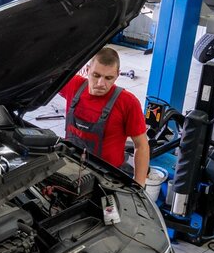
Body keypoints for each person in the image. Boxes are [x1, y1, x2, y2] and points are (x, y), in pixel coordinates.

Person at [57, 47, 149, 186]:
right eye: (96, 75)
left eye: (108, 78)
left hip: (107, 179)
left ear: (117, 75)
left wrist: (139, 185)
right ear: (87, 70)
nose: (101, 83)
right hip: (69, 167)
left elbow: (141, 146)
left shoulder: (128, 103)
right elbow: (44, 79)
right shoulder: (72, 85)